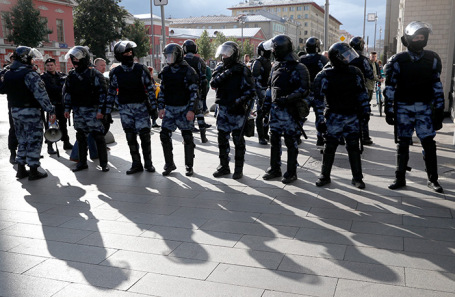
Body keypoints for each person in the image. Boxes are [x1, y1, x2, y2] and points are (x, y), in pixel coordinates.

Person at [384, 21, 444, 193]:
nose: (419, 39)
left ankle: (433, 179)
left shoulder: (432, 58)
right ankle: (399, 177)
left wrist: (439, 110)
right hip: (404, 107)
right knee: (403, 144)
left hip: (425, 108)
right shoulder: (397, 60)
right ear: (408, 39)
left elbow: (437, 85)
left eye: (422, 37)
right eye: (416, 37)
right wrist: (389, 110)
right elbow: (390, 86)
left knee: (429, 144)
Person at [314, 42, 370, 189]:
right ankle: (324, 176)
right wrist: (319, 120)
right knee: (329, 147)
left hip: (352, 116)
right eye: (345, 56)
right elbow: (318, 101)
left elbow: (362, 94)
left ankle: (357, 177)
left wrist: (365, 112)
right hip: (334, 116)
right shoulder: (324, 75)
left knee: (353, 147)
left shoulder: (355, 72)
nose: (348, 58)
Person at [0, 46, 56, 180]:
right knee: (34, 140)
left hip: (15, 111)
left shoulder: (8, 73)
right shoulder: (29, 74)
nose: (32, 60)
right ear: (26, 59)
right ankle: (33, 170)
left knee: (22, 140)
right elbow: (41, 94)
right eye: (31, 58)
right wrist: (51, 110)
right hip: (30, 111)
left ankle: (20, 168)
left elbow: (2, 90)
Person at [261, 35, 310, 184]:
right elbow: (271, 89)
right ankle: (274, 168)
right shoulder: (276, 66)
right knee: (274, 139)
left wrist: (288, 98)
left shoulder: (299, 67)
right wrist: (265, 108)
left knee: (290, 141)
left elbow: (305, 89)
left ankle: (291, 172)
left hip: (290, 112)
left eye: (275, 48)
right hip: (276, 111)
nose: (273, 51)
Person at [108, 40, 157, 175]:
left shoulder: (141, 69)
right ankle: (136, 163)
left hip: (141, 107)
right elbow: (111, 92)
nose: (129, 55)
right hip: (125, 109)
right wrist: (106, 112)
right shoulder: (116, 72)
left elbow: (150, 89)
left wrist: (154, 107)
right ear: (120, 56)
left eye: (130, 52)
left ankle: (148, 162)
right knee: (130, 137)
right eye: (126, 53)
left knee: (145, 136)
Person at [210, 41, 255, 179]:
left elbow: (251, 91)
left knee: (238, 140)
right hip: (223, 109)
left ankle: (238, 169)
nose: (224, 56)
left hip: (237, 111)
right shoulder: (220, 68)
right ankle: (224, 167)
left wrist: (238, 102)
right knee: (222, 139)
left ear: (234, 54)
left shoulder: (243, 70)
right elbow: (213, 83)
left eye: (227, 53)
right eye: (223, 53)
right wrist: (228, 72)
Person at [63, 46, 111, 172]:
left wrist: (101, 111)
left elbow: (102, 94)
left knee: (99, 137)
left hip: (93, 111)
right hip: (78, 111)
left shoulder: (94, 74)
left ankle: (104, 163)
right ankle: (82, 163)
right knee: (81, 137)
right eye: (73, 59)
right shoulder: (71, 75)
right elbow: (68, 93)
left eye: (77, 58)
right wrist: (67, 109)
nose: (74, 61)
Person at [158, 43, 199, 176]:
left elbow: (194, 93)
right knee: (164, 135)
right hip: (170, 109)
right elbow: (162, 91)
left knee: (187, 136)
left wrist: (192, 110)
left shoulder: (188, 71)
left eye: (170, 56)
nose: (168, 59)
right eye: (167, 56)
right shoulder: (165, 71)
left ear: (178, 56)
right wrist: (160, 108)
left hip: (184, 108)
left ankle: (189, 165)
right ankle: (169, 164)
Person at [299, 37, 329, 147]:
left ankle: (297, 136)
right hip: (318, 93)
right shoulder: (323, 59)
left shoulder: (301, 59)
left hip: (304, 92)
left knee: (301, 115)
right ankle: (320, 137)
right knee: (320, 116)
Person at [41, 58, 72, 153]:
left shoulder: (61, 75)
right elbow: (49, 89)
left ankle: (66, 142)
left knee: (63, 125)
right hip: (51, 105)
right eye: (48, 65)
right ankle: (50, 146)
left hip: (61, 104)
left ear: (55, 65)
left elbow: (67, 87)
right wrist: (60, 87)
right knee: (51, 126)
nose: (50, 67)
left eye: (51, 65)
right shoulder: (44, 77)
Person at [182, 39, 211, 143]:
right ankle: (203, 136)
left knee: (187, 115)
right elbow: (204, 79)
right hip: (196, 91)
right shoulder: (199, 61)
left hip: (184, 93)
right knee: (199, 114)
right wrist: (203, 94)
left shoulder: (181, 60)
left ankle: (188, 138)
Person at [349, 36, 374, 145]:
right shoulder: (364, 60)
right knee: (364, 114)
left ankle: (341, 137)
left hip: (345, 90)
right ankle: (365, 137)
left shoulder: (346, 57)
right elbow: (370, 75)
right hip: (359, 90)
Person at [251, 41, 272, 145]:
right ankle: (261, 136)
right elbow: (255, 80)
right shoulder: (257, 62)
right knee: (260, 115)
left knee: (267, 114)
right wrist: (260, 95)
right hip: (261, 91)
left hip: (267, 91)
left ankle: (265, 133)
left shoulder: (268, 61)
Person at [0, 53, 19, 164]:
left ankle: (27, 154)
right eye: (13, 59)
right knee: (13, 129)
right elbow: (2, 89)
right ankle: (13, 153)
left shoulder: (26, 70)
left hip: (27, 104)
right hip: (13, 104)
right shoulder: (6, 72)